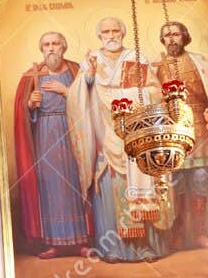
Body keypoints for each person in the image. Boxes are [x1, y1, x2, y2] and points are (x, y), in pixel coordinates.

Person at [68, 17, 166, 262]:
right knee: (111, 192)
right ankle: (112, 248)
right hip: (105, 136)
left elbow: (155, 91)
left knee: (140, 186)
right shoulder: (92, 60)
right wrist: (89, 77)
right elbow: (77, 96)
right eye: (106, 32)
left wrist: (131, 94)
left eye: (115, 31)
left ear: (122, 33)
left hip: (135, 134)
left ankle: (144, 247)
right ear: (99, 36)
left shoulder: (136, 58)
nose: (111, 35)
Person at [154, 22, 208, 250]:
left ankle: (200, 233)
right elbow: (152, 98)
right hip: (172, 132)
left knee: (200, 180)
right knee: (176, 184)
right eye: (166, 35)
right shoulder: (157, 67)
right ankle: (179, 233)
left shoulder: (200, 62)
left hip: (200, 128)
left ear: (185, 37)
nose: (171, 39)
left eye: (175, 34)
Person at [12, 31, 90, 258]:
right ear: (42, 49)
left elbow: (90, 101)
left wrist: (67, 92)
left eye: (56, 43)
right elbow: (22, 113)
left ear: (63, 47)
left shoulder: (76, 71)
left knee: (76, 182)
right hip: (45, 134)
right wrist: (30, 104)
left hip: (72, 130)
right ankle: (54, 243)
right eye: (46, 44)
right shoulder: (31, 76)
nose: (51, 48)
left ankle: (81, 241)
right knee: (50, 185)